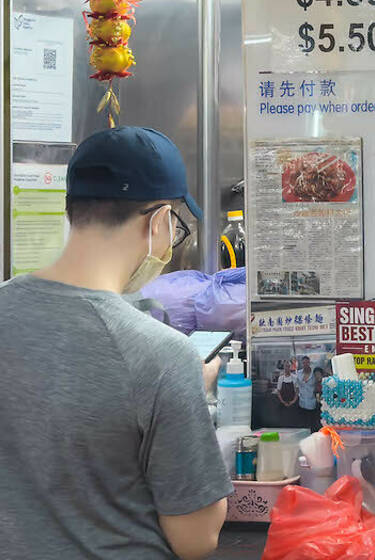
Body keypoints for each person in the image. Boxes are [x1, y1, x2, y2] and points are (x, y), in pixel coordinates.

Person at [0, 126, 231, 560]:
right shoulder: (161, 354)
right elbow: (196, 538)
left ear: (72, 210)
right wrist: (187, 397)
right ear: (160, 222)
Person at [295, 355, 324, 432]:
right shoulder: (299, 373)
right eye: (304, 363)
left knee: (313, 422)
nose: (305, 364)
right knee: (303, 422)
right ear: (302, 363)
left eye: (307, 363)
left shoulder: (313, 374)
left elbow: (318, 383)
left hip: (312, 402)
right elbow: (297, 386)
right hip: (302, 402)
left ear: (309, 363)